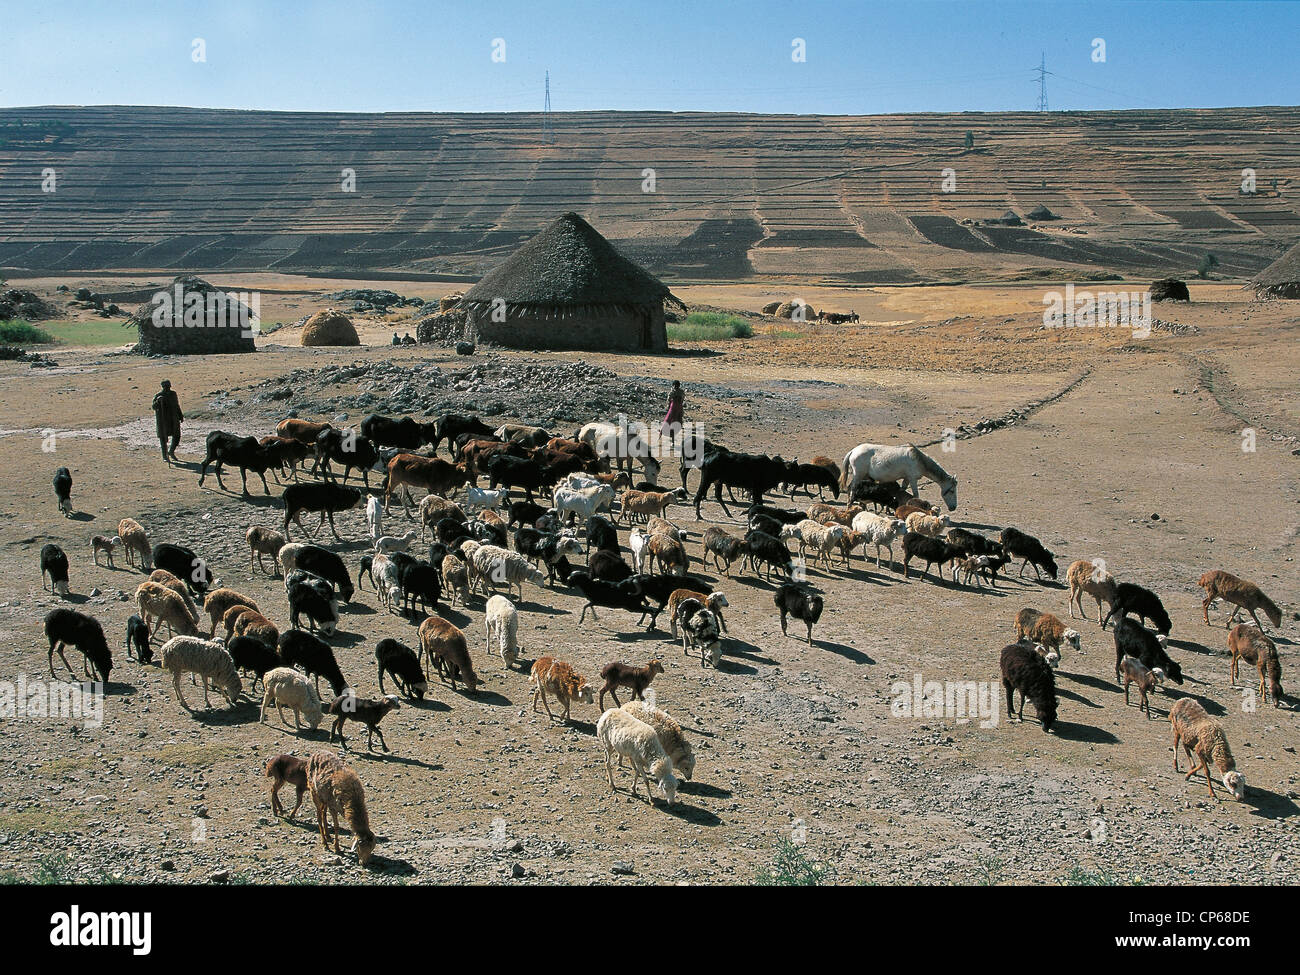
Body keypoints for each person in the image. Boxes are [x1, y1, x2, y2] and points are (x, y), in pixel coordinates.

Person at [151, 379, 183, 463]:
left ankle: (171, 451)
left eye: (168, 386)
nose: (167, 388)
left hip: (173, 419)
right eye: (166, 387)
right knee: (163, 439)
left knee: (177, 436)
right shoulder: (158, 395)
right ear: (162, 387)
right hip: (163, 421)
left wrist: (180, 415)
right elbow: (154, 407)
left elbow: (177, 405)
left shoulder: (173, 394)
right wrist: (158, 401)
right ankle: (165, 456)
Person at [660, 379, 684, 447]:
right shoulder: (681, 392)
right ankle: (672, 441)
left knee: (667, 421)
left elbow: (668, 400)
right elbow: (682, 400)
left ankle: (661, 433)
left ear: (673, 385)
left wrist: (669, 407)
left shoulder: (672, 392)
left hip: (673, 409)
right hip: (679, 409)